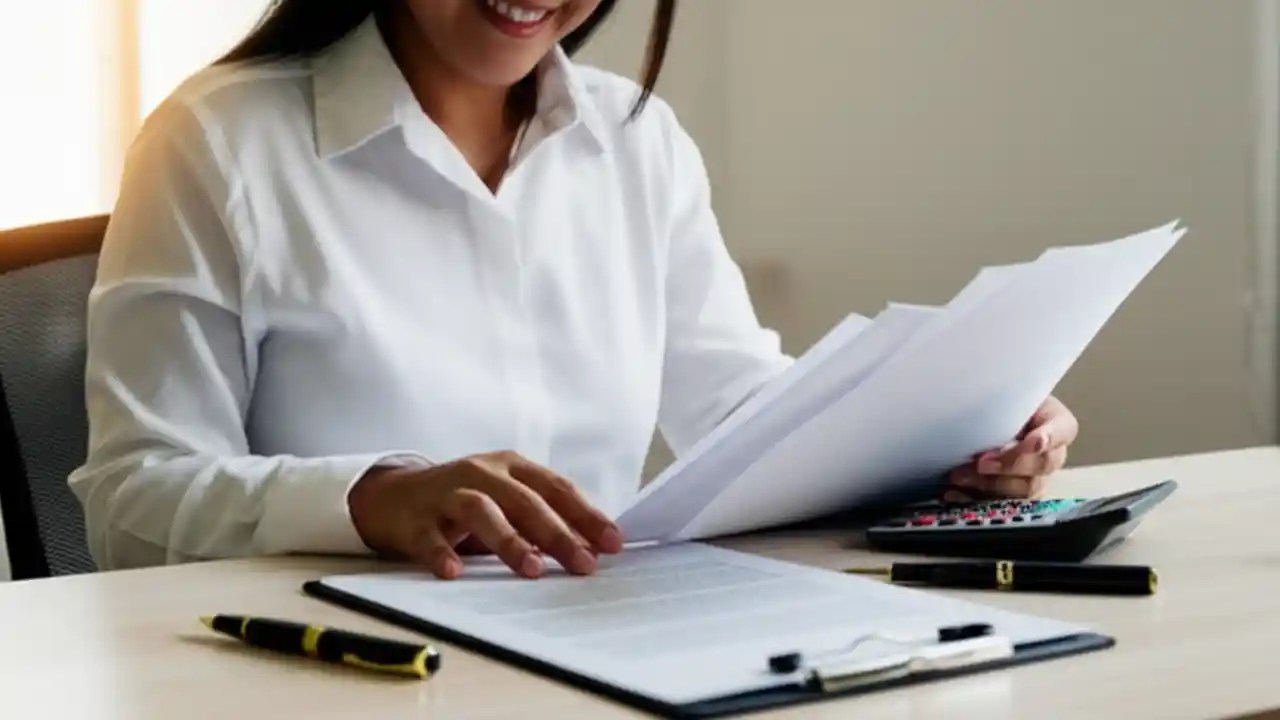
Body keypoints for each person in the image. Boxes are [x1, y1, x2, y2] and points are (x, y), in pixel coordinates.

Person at [70, 0, 1079, 579]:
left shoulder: (635, 138)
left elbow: (740, 414)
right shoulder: (218, 142)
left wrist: (951, 437)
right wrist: (371, 498)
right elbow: (131, 502)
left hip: (604, 651)